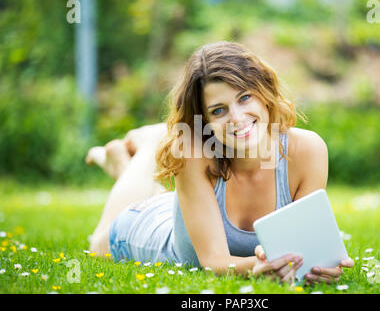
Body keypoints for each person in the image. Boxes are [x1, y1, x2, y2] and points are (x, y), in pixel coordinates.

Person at [86, 41, 354, 285]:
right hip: (145, 229)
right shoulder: (192, 154)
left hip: (191, 206)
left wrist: (317, 267)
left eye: (244, 97)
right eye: (219, 110)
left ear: (264, 91)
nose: (237, 118)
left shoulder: (308, 150)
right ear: (204, 121)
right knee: (99, 244)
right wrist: (261, 266)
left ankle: (134, 155)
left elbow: (305, 249)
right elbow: (213, 261)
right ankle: (146, 148)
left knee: (166, 195)